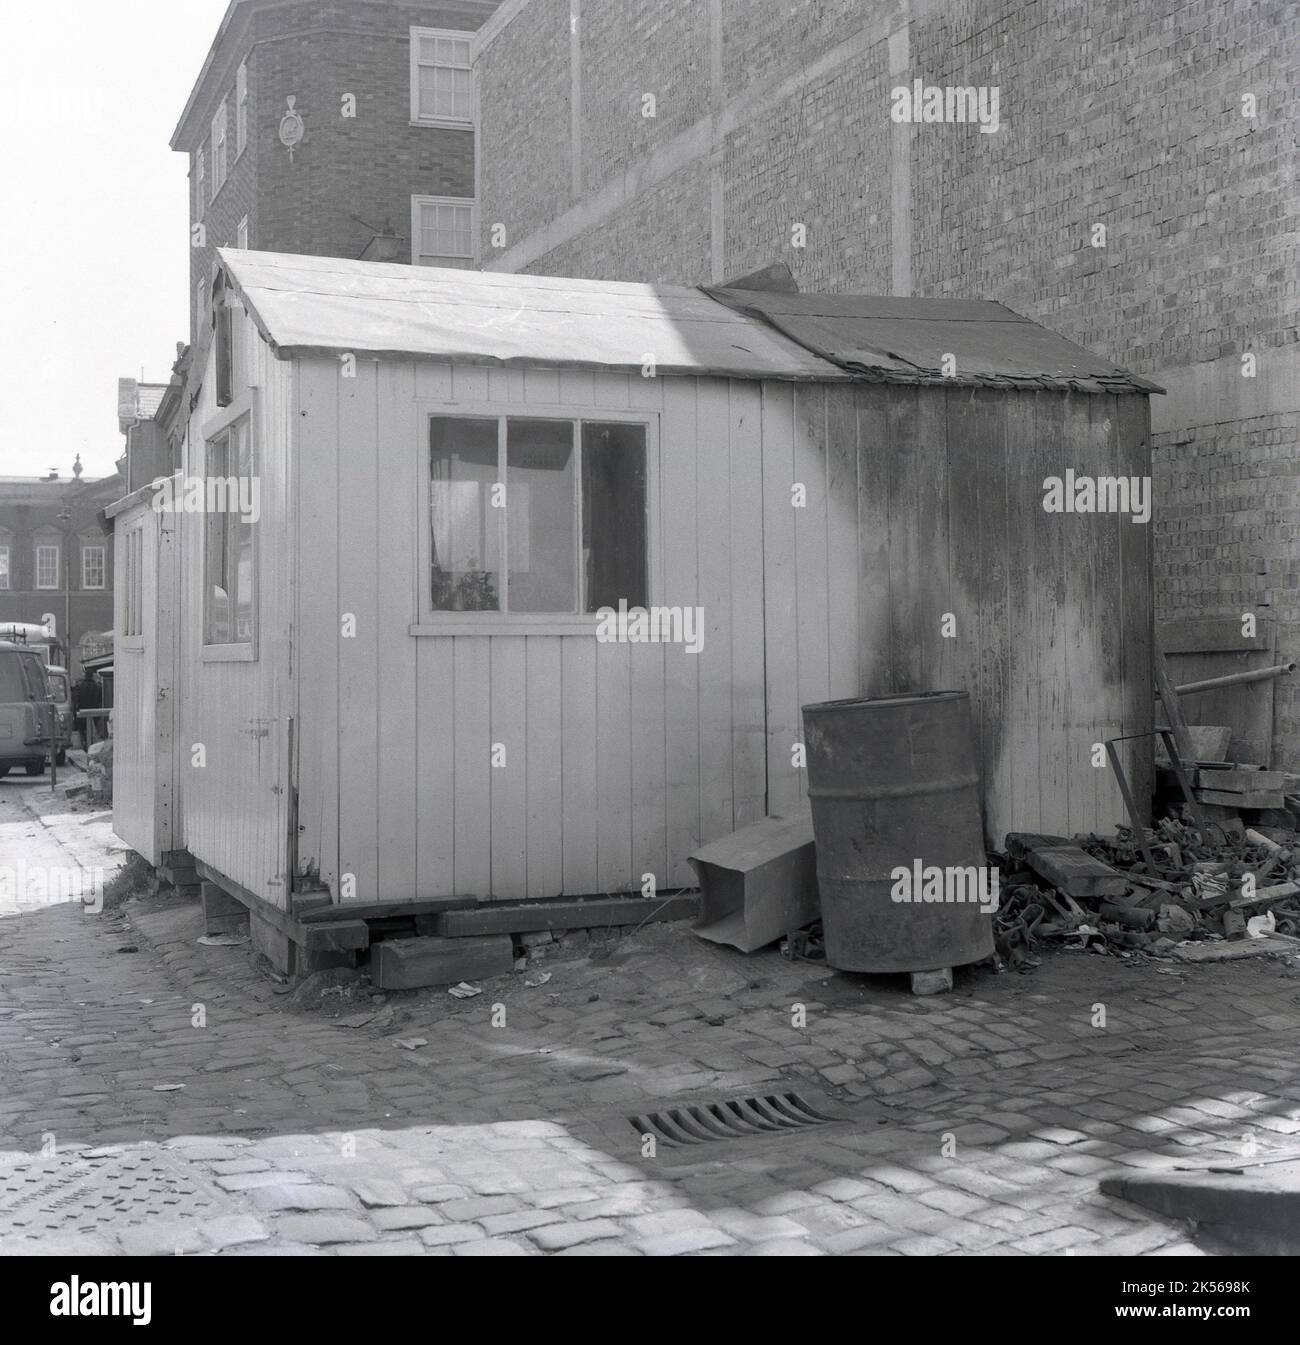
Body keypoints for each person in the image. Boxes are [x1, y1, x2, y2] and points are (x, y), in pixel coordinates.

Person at [72, 672, 102, 748]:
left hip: (82, 713)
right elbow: (100, 700)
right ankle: (92, 745)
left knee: (83, 731)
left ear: (85, 676)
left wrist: (75, 712)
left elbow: (76, 700)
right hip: (95, 713)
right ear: (92, 676)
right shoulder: (98, 687)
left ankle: (85, 743)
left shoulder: (79, 687)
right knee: (93, 731)